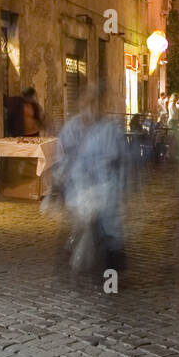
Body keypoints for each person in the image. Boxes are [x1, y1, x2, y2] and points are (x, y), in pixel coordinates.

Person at [56, 88, 127, 273]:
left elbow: (118, 158)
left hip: (105, 186)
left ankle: (111, 278)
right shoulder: (72, 128)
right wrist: (63, 178)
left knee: (108, 229)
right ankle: (86, 265)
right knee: (84, 226)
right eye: (88, 103)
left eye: (95, 104)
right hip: (81, 188)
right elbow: (64, 154)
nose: (91, 108)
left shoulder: (108, 128)